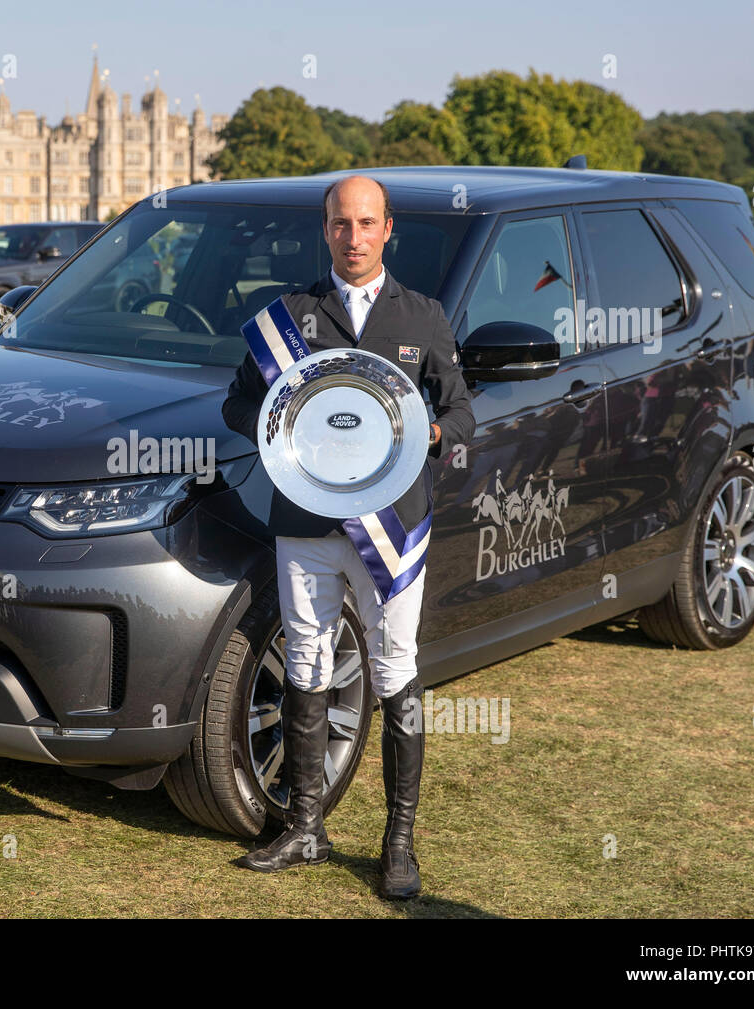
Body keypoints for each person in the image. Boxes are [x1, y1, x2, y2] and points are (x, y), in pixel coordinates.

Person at [222, 175, 475, 899]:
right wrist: (276, 430)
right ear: (324, 228)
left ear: (388, 228)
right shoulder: (291, 316)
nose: (354, 237)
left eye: (367, 223)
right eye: (341, 223)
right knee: (306, 658)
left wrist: (423, 432)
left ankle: (398, 841)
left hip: (392, 524)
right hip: (305, 520)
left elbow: (461, 417)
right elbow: (237, 401)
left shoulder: (422, 316)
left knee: (395, 668)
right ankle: (305, 825)